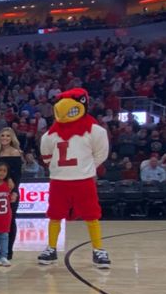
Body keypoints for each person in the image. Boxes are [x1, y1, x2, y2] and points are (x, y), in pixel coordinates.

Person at [37, 88, 111, 269]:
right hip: (59, 180)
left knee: (91, 215)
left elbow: (101, 153)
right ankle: (51, 248)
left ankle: (98, 249)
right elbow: (46, 156)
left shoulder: (95, 130)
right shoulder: (49, 135)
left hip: (83, 180)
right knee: (54, 214)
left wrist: (85, 168)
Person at [0, 127, 23, 262]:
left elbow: (17, 175)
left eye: (7, 136)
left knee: (10, 220)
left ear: (12, 138)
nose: (5, 138)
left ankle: (8, 251)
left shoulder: (16, 152)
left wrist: (15, 191)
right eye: (2, 135)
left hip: (11, 192)